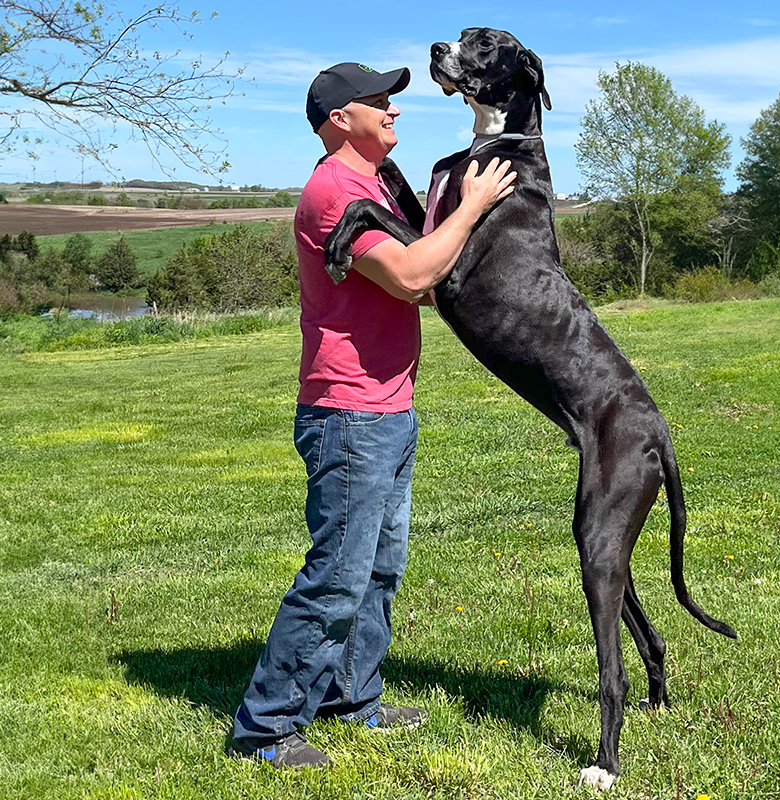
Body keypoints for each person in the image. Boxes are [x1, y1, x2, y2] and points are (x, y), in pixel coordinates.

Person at [228, 62, 516, 768]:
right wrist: (472, 205)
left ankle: (351, 695)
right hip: (348, 412)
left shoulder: (379, 184)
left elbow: (422, 277)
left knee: (379, 569)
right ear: (339, 119)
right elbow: (415, 273)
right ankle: (265, 728)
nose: (394, 111)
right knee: (337, 574)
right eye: (379, 102)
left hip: (389, 405)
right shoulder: (335, 191)